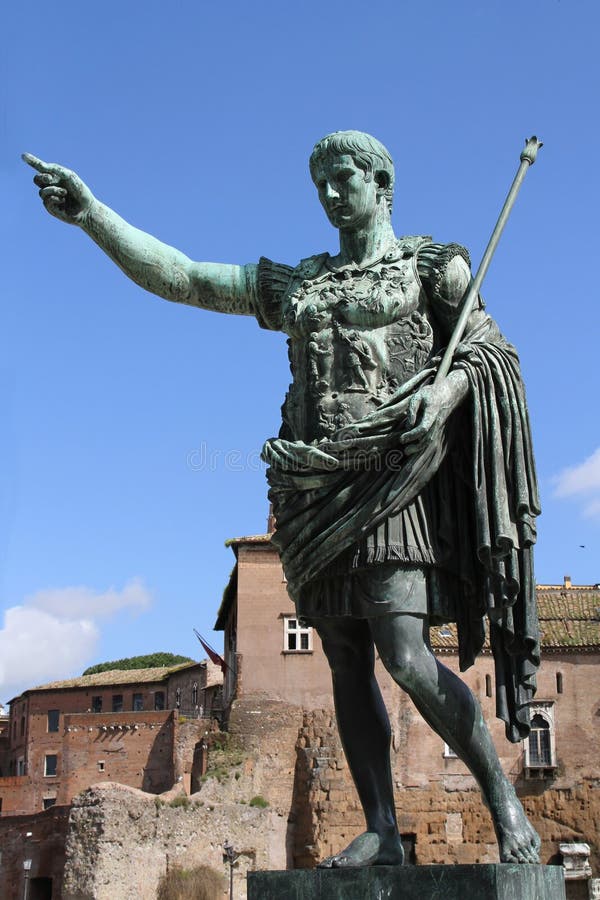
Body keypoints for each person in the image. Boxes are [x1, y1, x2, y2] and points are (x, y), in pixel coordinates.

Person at [24, 131, 541, 866]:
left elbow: (489, 350)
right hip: (311, 490)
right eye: (320, 183)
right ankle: (384, 829)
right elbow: (187, 278)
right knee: (343, 658)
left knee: (406, 651)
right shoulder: (300, 283)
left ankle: (501, 800)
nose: (330, 195)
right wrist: (94, 216)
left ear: (381, 180)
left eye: (343, 179)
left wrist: (445, 392)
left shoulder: (434, 266)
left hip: (392, 482)